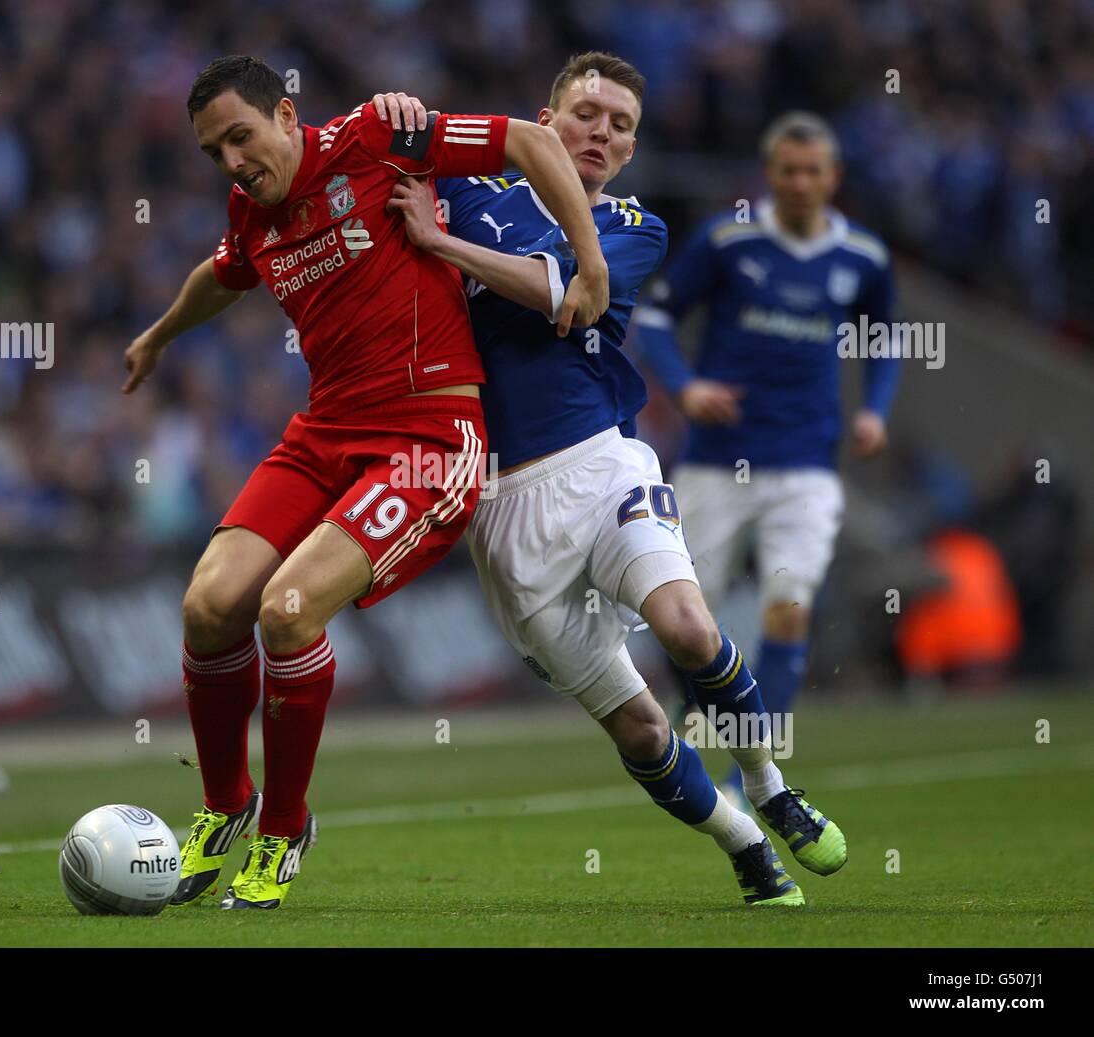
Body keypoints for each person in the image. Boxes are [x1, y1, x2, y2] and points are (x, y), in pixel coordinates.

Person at [122, 55, 609, 910]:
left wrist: (588, 260)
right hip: (327, 431)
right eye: (214, 152)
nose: (232, 162)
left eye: (241, 136)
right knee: (207, 605)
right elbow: (221, 274)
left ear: (285, 114)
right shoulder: (252, 211)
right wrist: (160, 334)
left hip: (428, 434)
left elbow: (531, 139)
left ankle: (282, 830)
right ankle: (223, 803)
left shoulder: (378, 137)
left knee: (287, 608)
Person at [372, 52, 847, 907]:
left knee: (689, 628)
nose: (602, 132)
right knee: (638, 723)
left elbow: (568, 298)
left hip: (600, 460)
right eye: (587, 113)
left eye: (622, 125)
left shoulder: (635, 226)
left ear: (631, 150)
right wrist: (395, 110)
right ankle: (741, 843)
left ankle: (770, 786)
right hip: (500, 503)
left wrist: (440, 243)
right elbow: (383, 158)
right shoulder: (479, 188)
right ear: (544, 122)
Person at [636, 111, 900, 803]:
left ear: (834, 177)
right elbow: (658, 314)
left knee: (788, 606)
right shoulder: (727, 241)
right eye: (788, 169)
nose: (801, 182)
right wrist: (687, 386)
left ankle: (755, 772)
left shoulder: (863, 259)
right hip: (716, 461)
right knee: (684, 617)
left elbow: (884, 338)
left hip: (807, 463)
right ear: (770, 174)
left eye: (814, 171)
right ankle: (694, 724)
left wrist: (873, 409)